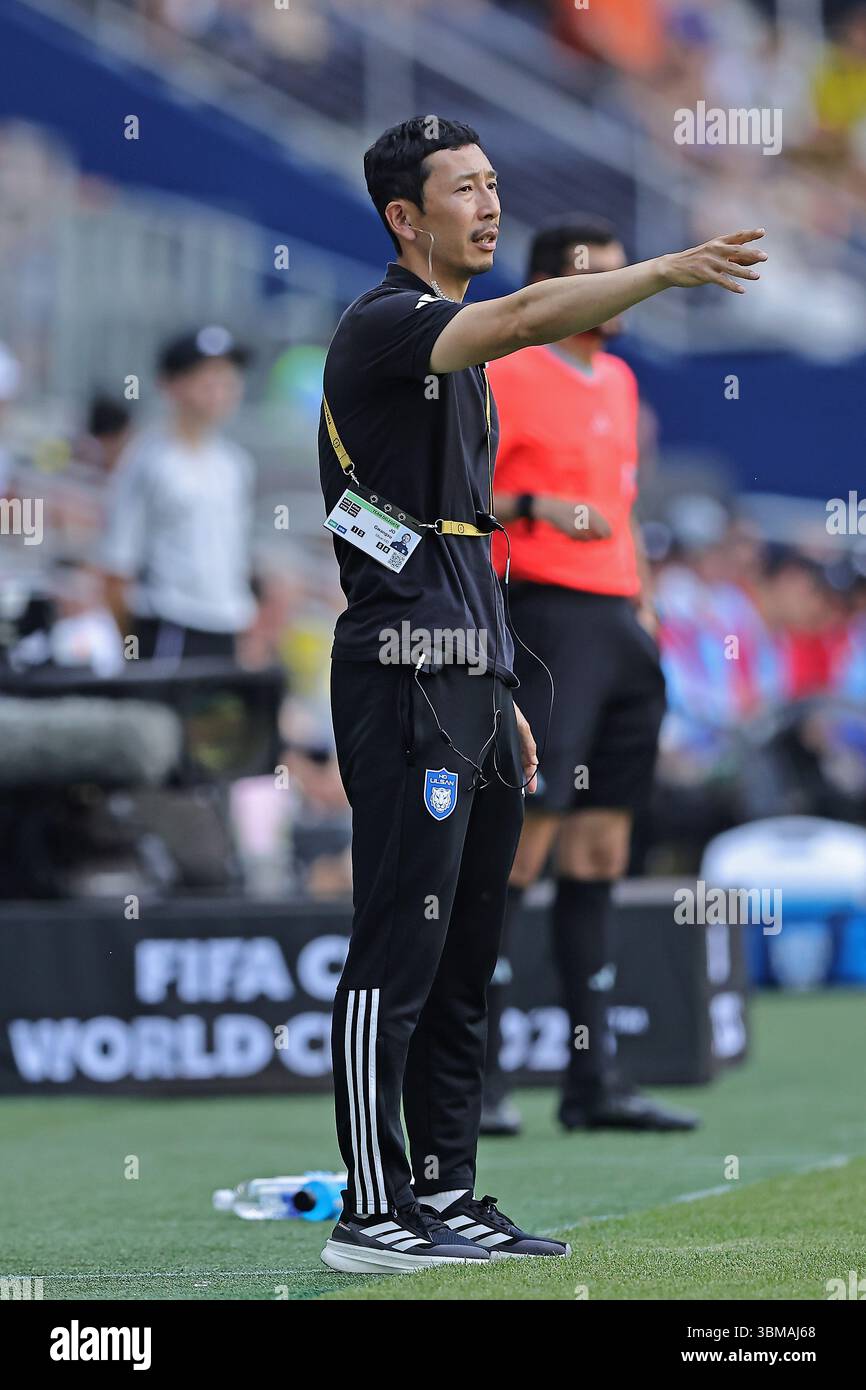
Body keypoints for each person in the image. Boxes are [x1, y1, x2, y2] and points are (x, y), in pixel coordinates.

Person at [317, 114, 766, 1274]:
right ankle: (370, 1211)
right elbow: (517, 316)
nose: (489, 203)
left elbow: (468, 546)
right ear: (402, 218)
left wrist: (502, 679)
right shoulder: (388, 326)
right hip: (402, 675)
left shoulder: (462, 375)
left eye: (494, 183)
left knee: (468, 945)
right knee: (395, 947)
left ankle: (447, 1189)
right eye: (462, 189)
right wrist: (664, 267)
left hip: (471, 675)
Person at [481, 217, 698, 1136]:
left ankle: (592, 1079)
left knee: (603, 852)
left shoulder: (618, 378)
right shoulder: (500, 367)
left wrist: (644, 613)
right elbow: (449, 497)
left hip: (617, 624)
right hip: (544, 615)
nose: (620, 295)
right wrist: (534, 506)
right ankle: (479, 1075)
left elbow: (626, 507)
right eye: (603, 280)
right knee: (523, 846)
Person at [98, 326, 256, 662]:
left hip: (226, 626)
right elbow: (116, 567)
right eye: (207, 378)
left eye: (228, 378)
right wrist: (133, 646)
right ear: (171, 385)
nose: (221, 390)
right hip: (171, 626)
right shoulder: (147, 460)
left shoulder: (235, 464)